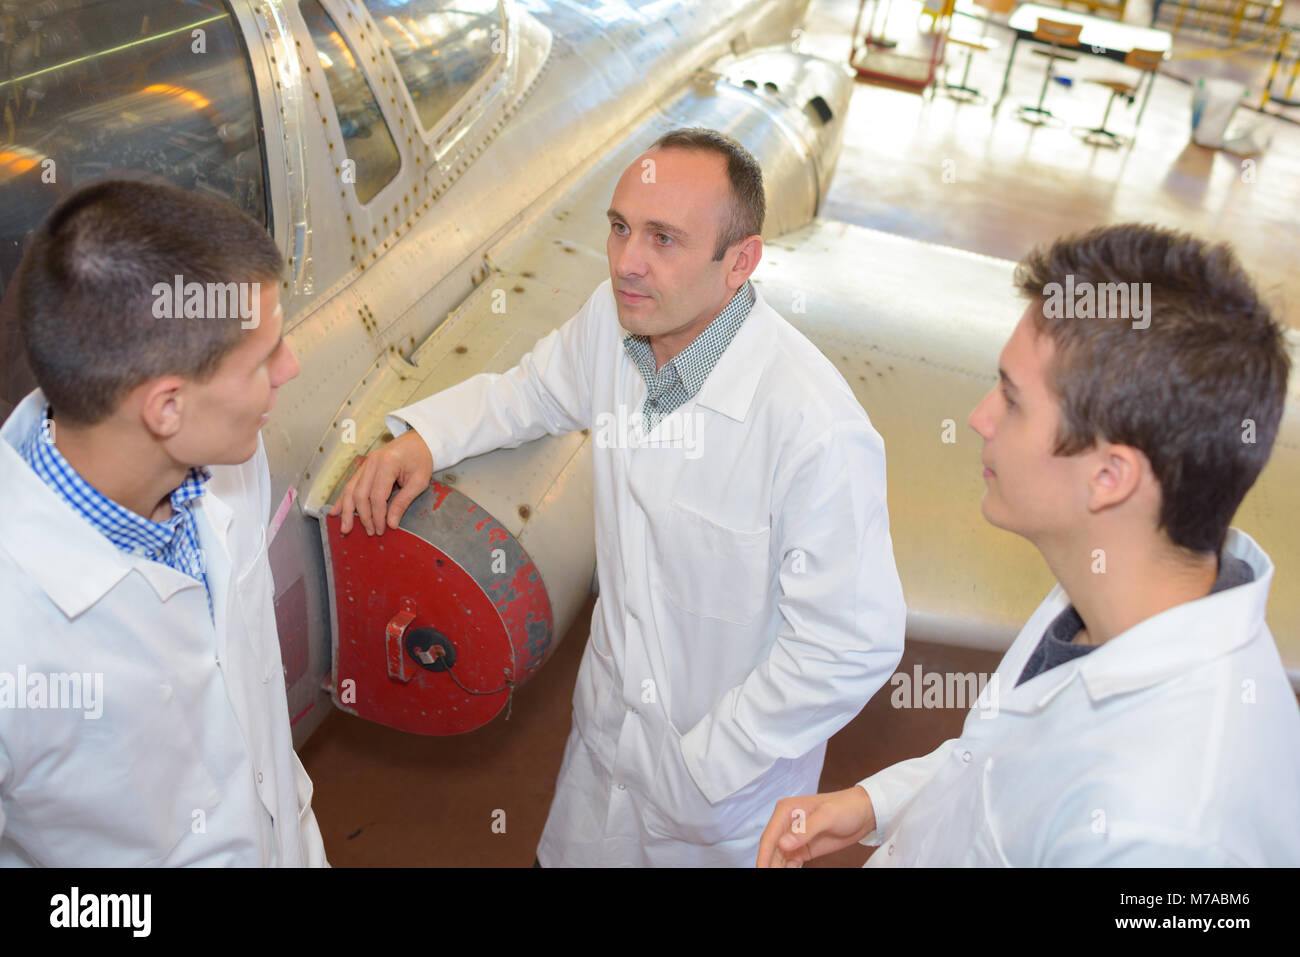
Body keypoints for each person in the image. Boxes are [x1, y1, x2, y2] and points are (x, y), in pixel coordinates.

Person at [332, 127, 907, 866]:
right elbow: (531, 393)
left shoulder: (814, 427)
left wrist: (708, 763)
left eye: (664, 238)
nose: (627, 263)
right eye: (620, 228)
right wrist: (425, 439)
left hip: (718, 804)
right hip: (604, 750)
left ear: (740, 261)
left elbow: (850, 643)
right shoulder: (617, 324)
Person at [757, 223, 1300, 867]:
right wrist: (878, 803)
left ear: (1109, 477)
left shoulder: (1166, 832)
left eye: (1012, 401)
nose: (979, 418)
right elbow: (1003, 762)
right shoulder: (1114, 586)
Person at [0, 179, 328, 866]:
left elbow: (260, 740)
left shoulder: (227, 463)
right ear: (166, 408)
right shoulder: (16, 627)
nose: (290, 367)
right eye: (265, 355)